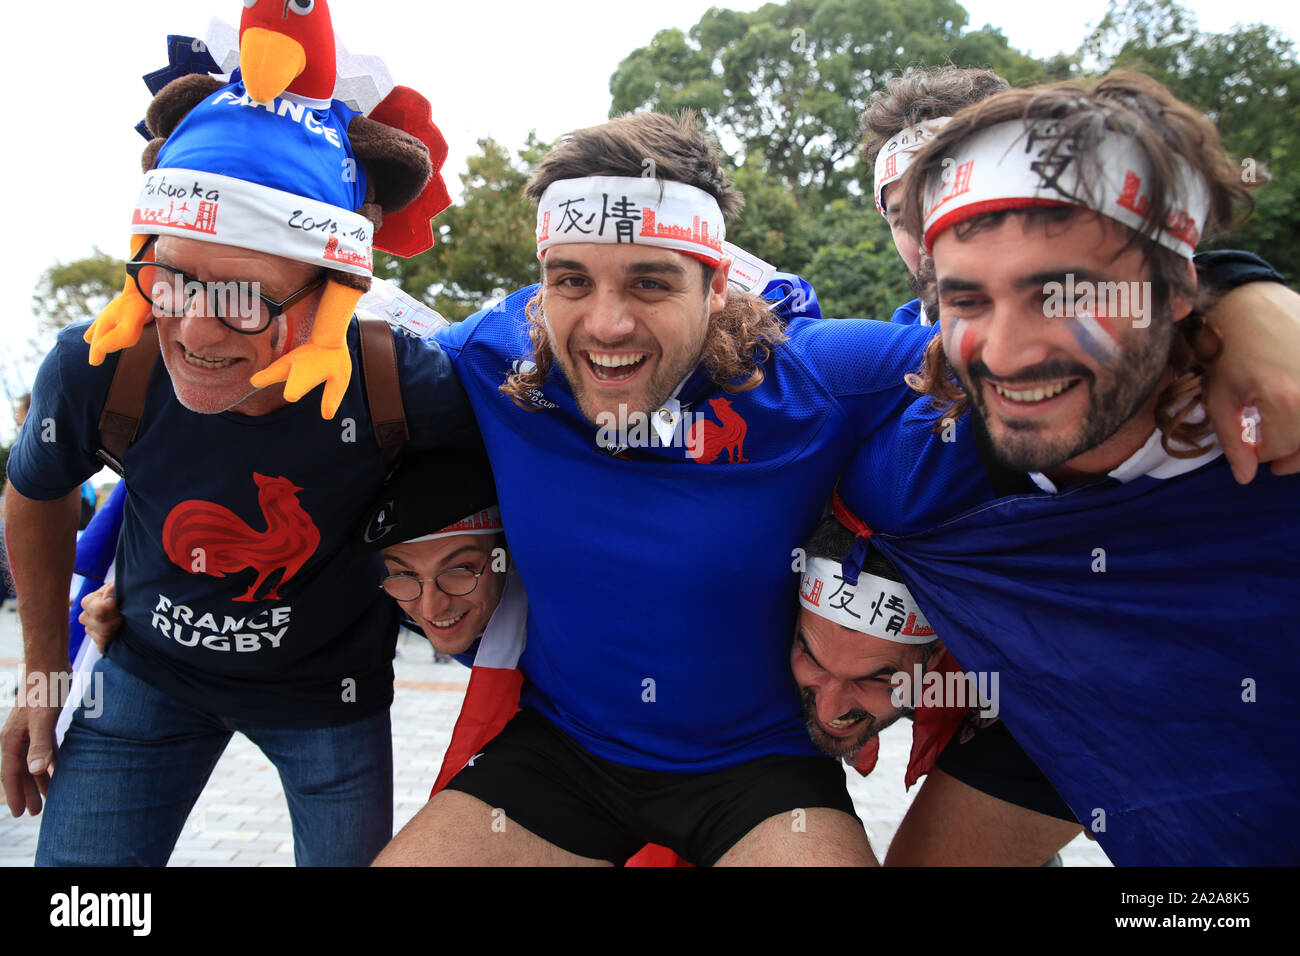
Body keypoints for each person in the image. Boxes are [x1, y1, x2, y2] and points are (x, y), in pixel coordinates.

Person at [374, 109, 1300, 867]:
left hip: (759, 775)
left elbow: (1035, 307)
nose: (605, 322)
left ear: (715, 283)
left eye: (651, 282)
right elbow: (334, 345)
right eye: (569, 279)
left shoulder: (831, 381)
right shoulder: (497, 358)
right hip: (560, 756)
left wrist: (1248, 297)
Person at [0, 14, 478, 866]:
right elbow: (36, 491)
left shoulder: (403, 383)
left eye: (244, 298)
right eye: (171, 278)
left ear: (332, 290)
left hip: (328, 702)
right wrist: (44, 671)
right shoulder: (102, 363)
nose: (193, 330)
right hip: (146, 681)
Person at [841, 70, 1300, 864]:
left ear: (1182, 285)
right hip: (1062, 716)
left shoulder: (1270, 420)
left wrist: (1251, 293)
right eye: (969, 299)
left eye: (1062, 295)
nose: (1010, 353)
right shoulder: (906, 444)